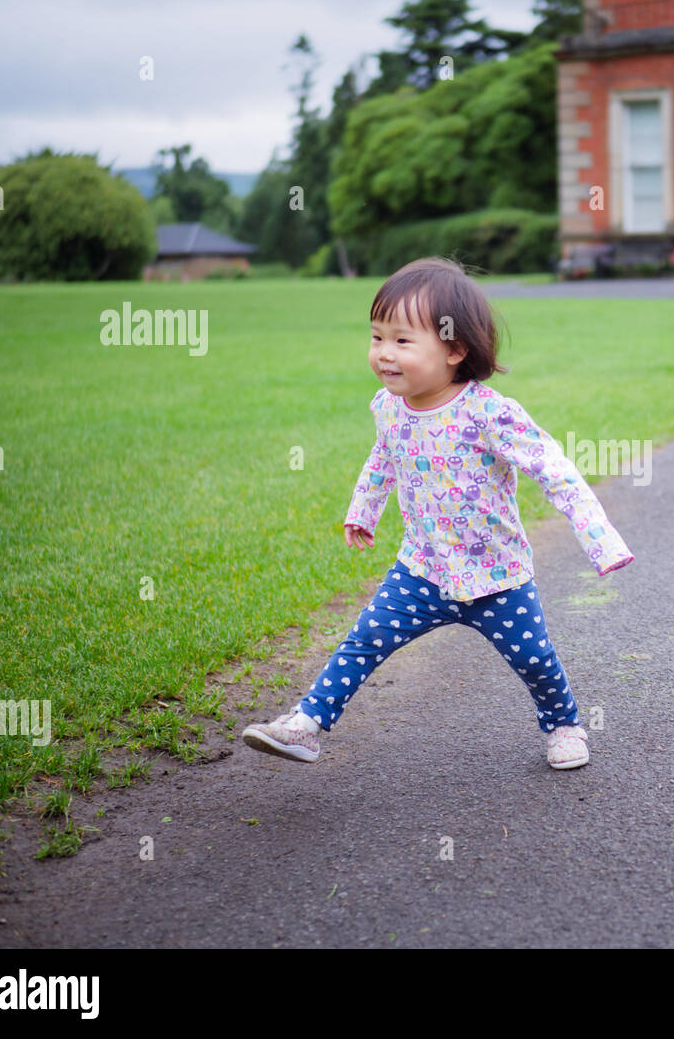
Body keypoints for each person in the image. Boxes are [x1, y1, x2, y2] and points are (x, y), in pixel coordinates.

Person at [242, 257, 633, 770]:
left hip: (497, 576)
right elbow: (384, 456)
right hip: (422, 570)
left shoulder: (488, 413)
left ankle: (564, 724)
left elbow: (554, 471)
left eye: (402, 341)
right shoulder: (388, 406)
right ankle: (305, 725)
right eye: (377, 337)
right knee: (364, 640)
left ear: (454, 349)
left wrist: (600, 539)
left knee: (534, 659)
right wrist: (365, 509)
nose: (383, 354)